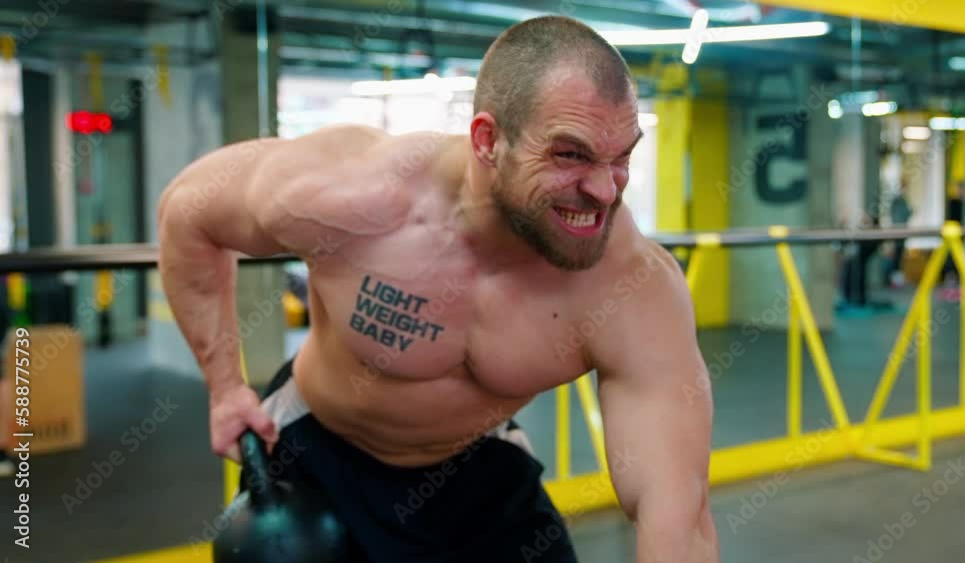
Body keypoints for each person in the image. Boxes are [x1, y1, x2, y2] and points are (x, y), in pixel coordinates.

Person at [157, 15, 717, 563]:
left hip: (474, 467)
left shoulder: (630, 286)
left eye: (621, 156)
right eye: (570, 154)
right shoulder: (353, 197)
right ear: (487, 140)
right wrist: (225, 388)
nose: (603, 189)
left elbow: (676, 512)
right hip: (321, 450)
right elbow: (189, 214)